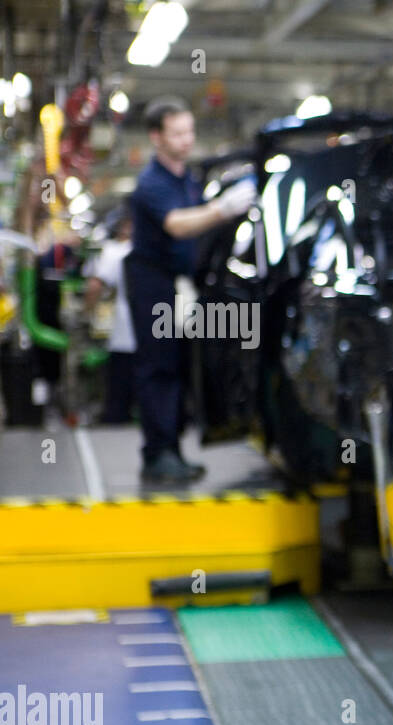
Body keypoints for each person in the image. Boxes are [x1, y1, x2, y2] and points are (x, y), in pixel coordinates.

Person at [125, 96, 255, 484]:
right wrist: (222, 208)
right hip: (152, 281)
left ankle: (174, 450)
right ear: (156, 137)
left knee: (180, 366)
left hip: (180, 282)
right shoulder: (151, 183)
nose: (186, 140)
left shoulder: (187, 179)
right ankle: (157, 454)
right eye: (177, 133)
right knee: (158, 367)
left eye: (190, 131)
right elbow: (177, 225)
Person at [83, 209, 135, 423]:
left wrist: (87, 313)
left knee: (121, 375)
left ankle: (116, 415)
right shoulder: (145, 250)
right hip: (154, 324)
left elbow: (95, 285)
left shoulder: (114, 251)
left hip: (127, 328)